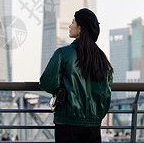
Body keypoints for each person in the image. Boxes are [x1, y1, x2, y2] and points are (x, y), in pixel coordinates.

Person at [39, 8, 114, 143]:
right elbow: (106, 95)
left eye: (73, 22)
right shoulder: (102, 60)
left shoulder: (63, 53)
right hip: (93, 126)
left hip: (67, 123)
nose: (69, 26)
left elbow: (46, 83)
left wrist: (61, 88)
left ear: (80, 28)